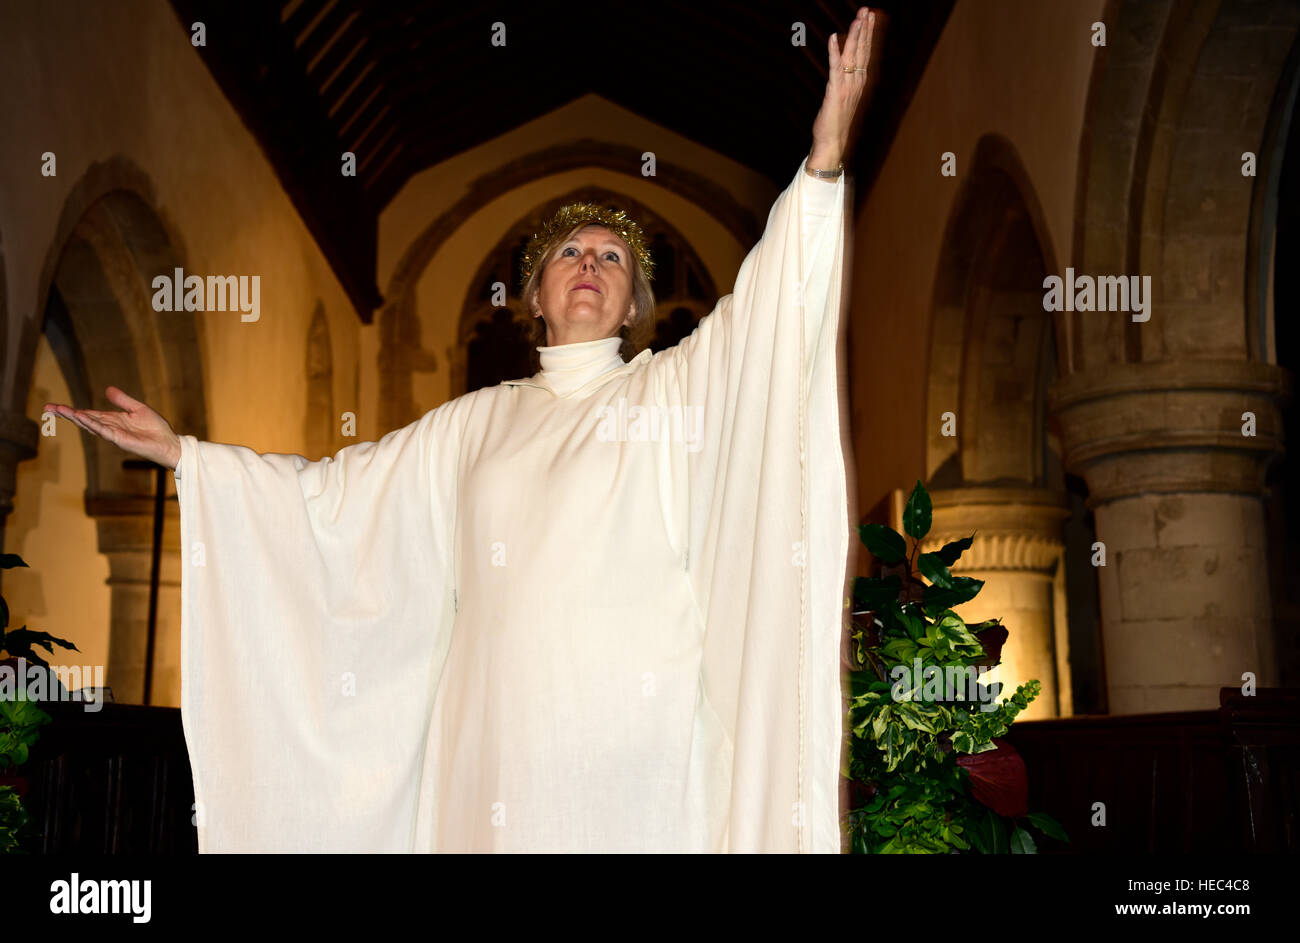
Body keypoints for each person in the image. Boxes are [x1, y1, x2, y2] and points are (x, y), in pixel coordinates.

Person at [45, 8, 881, 852]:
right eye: (567, 254)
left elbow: (772, 312)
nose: (588, 264)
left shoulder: (675, 388)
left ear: (635, 307)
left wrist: (822, 163)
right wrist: (190, 455)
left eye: (612, 258)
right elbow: (332, 498)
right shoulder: (475, 425)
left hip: (639, 754)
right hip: (494, 758)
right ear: (534, 300)